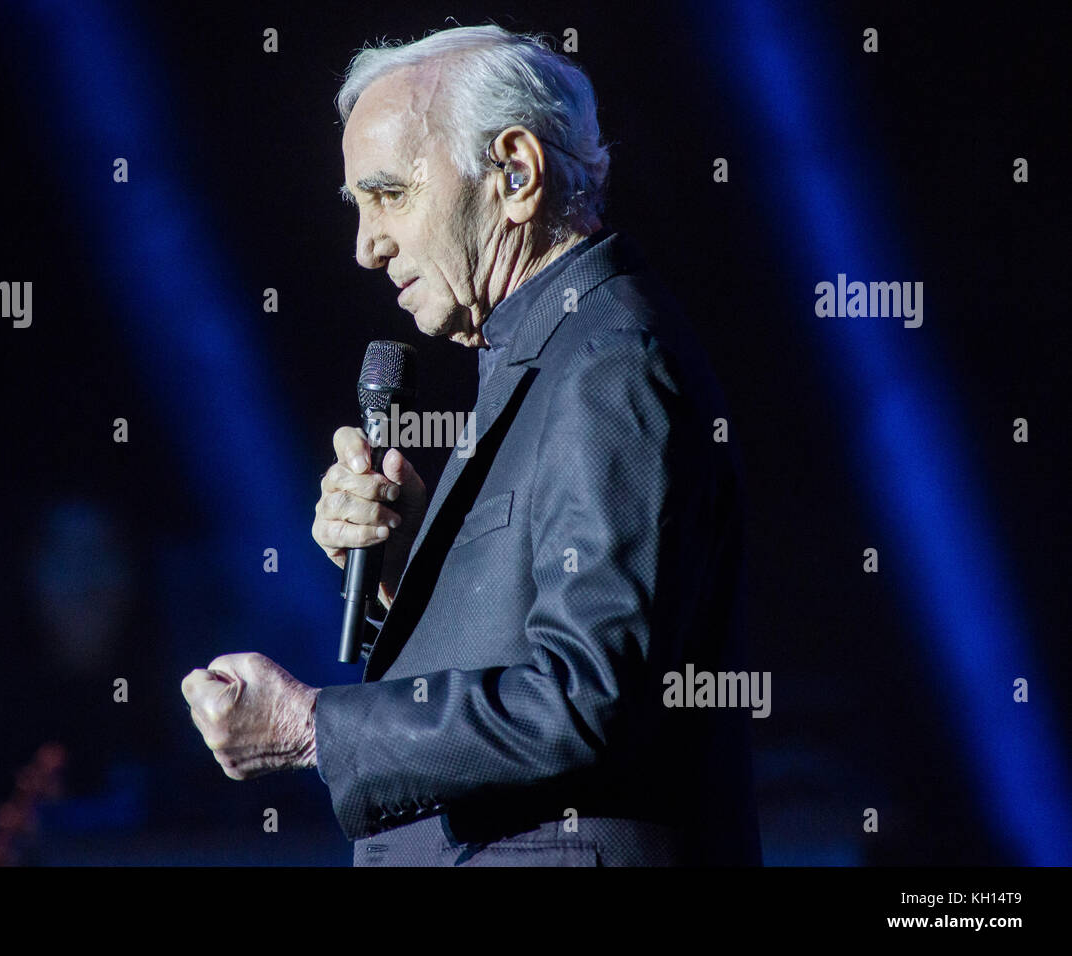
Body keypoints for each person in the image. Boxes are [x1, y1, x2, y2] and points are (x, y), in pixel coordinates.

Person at [182, 24, 761, 866]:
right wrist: (413, 570)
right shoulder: (552, 354)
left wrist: (311, 729)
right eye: (359, 206)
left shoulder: (610, 363)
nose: (366, 246)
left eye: (389, 195)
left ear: (515, 174)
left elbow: (585, 697)